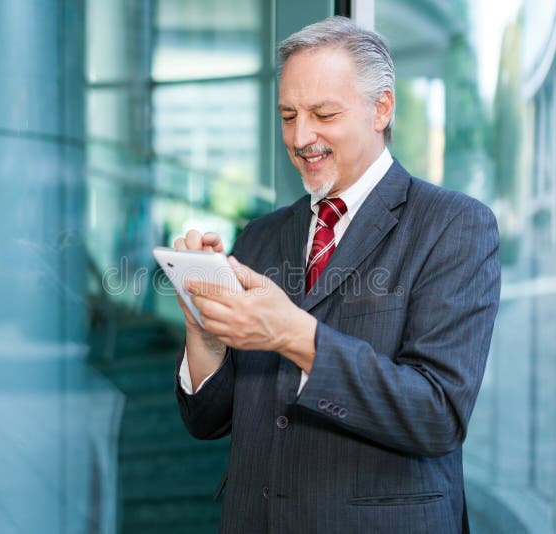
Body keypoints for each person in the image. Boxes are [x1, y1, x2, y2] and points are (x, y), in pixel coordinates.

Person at [172, 16, 500, 534]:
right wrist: (204, 333)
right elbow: (207, 420)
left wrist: (294, 335)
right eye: (288, 115)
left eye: (324, 113)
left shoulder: (455, 226)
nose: (302, 136)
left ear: (381, 109)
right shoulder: (259, 236)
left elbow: (439, 413)